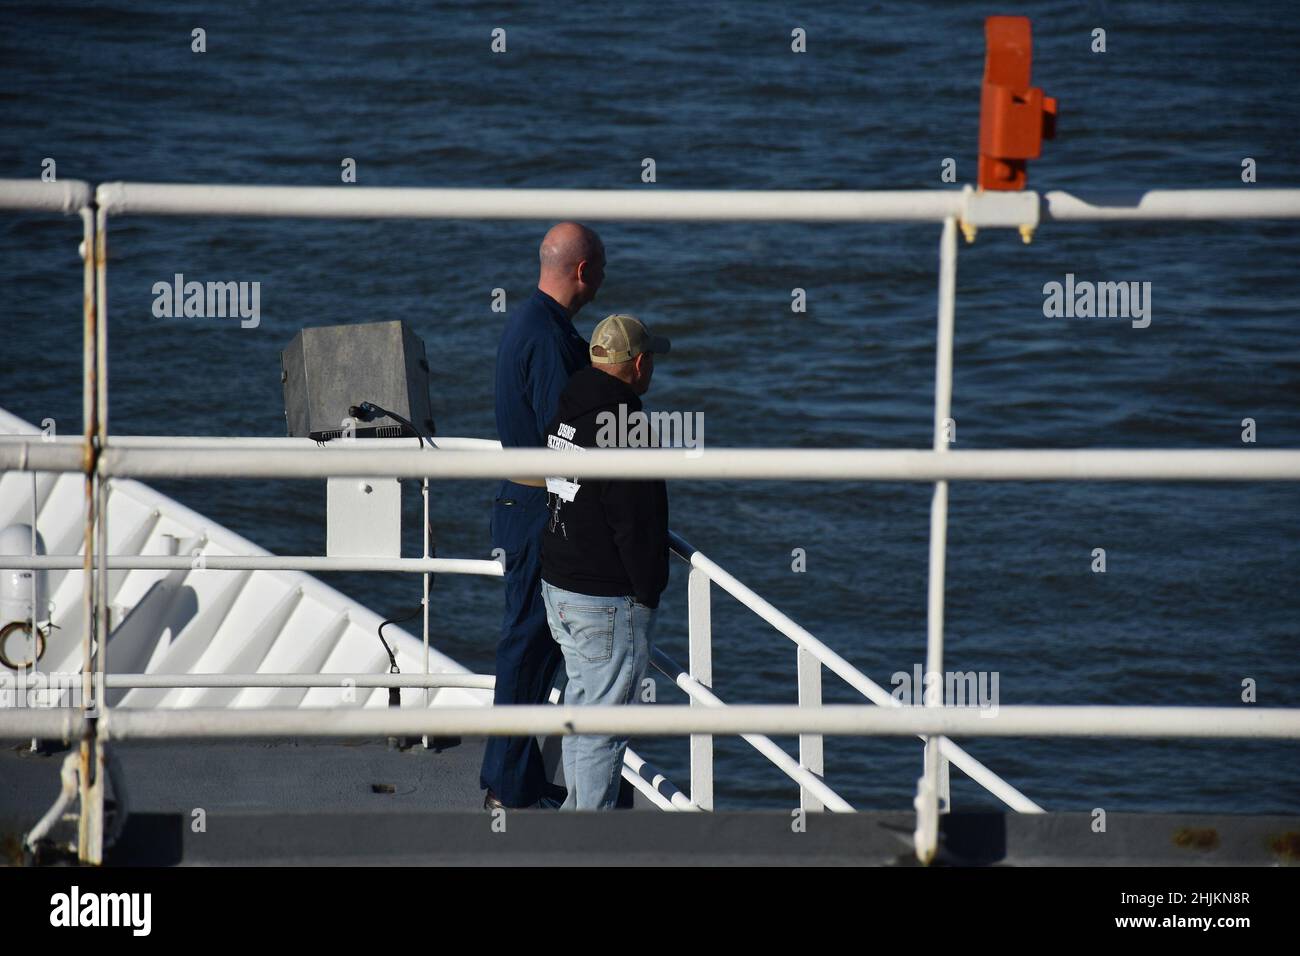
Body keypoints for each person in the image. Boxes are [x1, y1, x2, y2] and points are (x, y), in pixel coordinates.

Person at [482, 222, 605, 810]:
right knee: (529, 647)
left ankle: (517, 778)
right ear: (583, 271)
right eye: (601, 265)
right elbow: (571, 433)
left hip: (521, 499)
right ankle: (505, 787)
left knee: (529, 647)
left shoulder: (530, 322)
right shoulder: (551, 339)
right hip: (540, 507)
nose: (604, 276)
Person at [540, 313, 672, 810]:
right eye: (651, 358)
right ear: (638, 364)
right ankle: (583, 843)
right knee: (603, 731)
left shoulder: (568, 407)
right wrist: (648, 589)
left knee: (581, 709)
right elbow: (635, 522)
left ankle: (574, 821)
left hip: (560, 585)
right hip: (604, 599)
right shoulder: (628, 426)